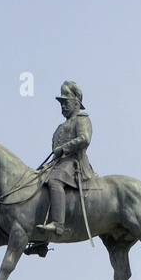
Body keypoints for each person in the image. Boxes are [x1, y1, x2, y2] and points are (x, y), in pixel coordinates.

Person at [40, 80, 95, 237]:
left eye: (66, 102)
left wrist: (64, 148)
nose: (62, 106)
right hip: (57, 164)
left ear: (76, 102)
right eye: (61, 103)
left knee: (54, 181)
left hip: (74, 164)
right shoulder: (59, 128)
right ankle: (41, 239)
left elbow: (84, 138)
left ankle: (58, 224)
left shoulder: (82, 119)